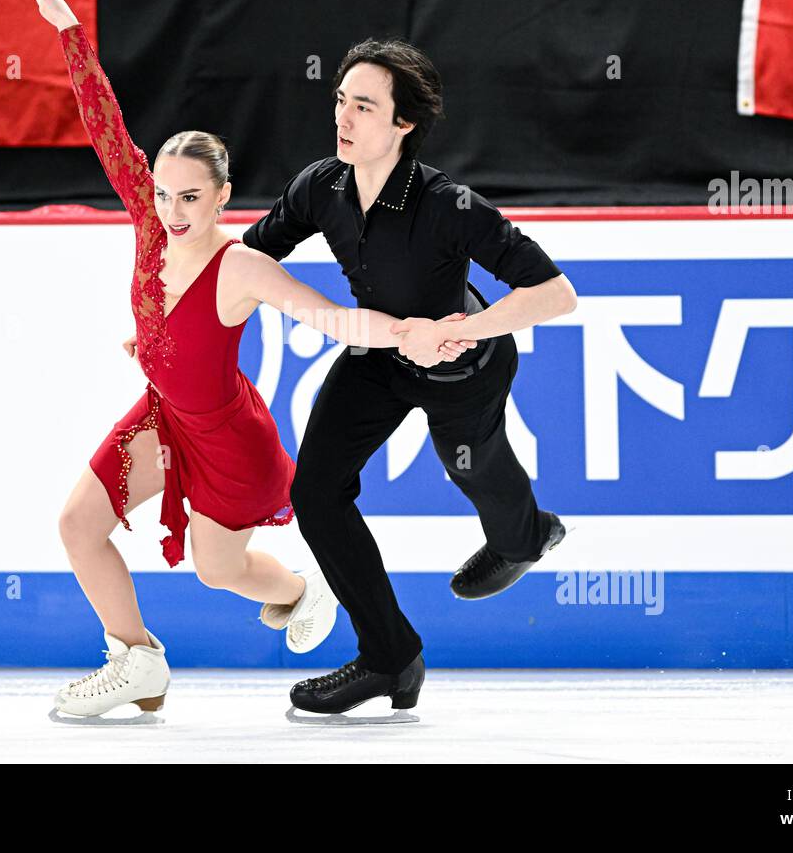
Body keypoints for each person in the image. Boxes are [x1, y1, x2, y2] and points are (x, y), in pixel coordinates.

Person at [27, 0, 472, 721]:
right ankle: (134, 658)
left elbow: (330, 317)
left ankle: (303, 590)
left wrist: (410, 331)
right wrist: (71, 33)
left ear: (223, 196)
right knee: (76, 524)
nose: (171, 210)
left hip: (229, 440)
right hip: (164, 419)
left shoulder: (241, 266)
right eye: (163, 194)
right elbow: (104, 125)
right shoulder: (147, 220)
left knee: (217, 570)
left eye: (190, 197)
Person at [242, 37, 579, 719]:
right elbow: (245, 261)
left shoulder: (447, 204)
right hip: (380, 354)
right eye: (340, 100)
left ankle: (523, 537)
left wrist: (454, 330)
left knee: (470, 470)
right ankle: (390, 658)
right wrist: (169, 317)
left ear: (403, 124)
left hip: (464, 364)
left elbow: (554, 293)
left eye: (363, 106)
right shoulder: (320, 188)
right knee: (315, 491)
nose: (343, 117)